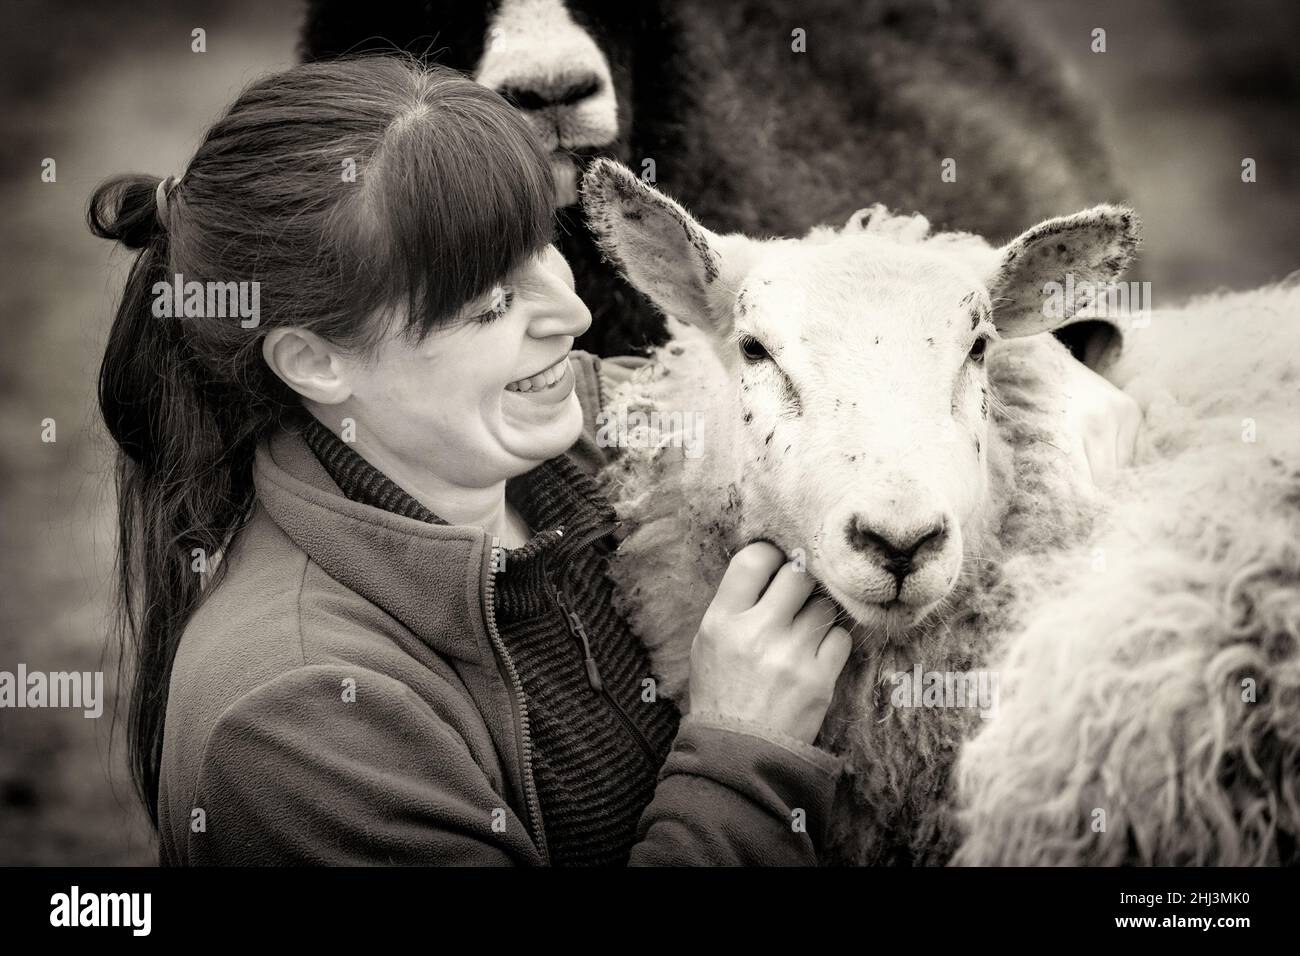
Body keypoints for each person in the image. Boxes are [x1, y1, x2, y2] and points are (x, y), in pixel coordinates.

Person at [88, 57, 1136, 865]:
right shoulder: (296, 720)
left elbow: (845, 360)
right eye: (489, 301)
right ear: (316, 359)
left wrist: (1046, 388)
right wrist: (739, 753)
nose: (575, 313)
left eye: (543, 249)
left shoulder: (576, 430)